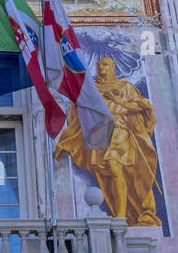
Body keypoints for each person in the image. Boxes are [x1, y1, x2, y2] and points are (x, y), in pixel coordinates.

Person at [54, 57, 162, 226]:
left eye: (105, 64)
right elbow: (79, 112)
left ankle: (123, 216)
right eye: (100, 65)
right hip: (100, 133)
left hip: (120, 131)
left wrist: (119, 102)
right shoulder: (92, 88)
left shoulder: (125, 87)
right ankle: (119, 214)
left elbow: (141, 107)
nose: (101, 67)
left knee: (116, 168)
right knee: (108, 174)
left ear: (112, 67)